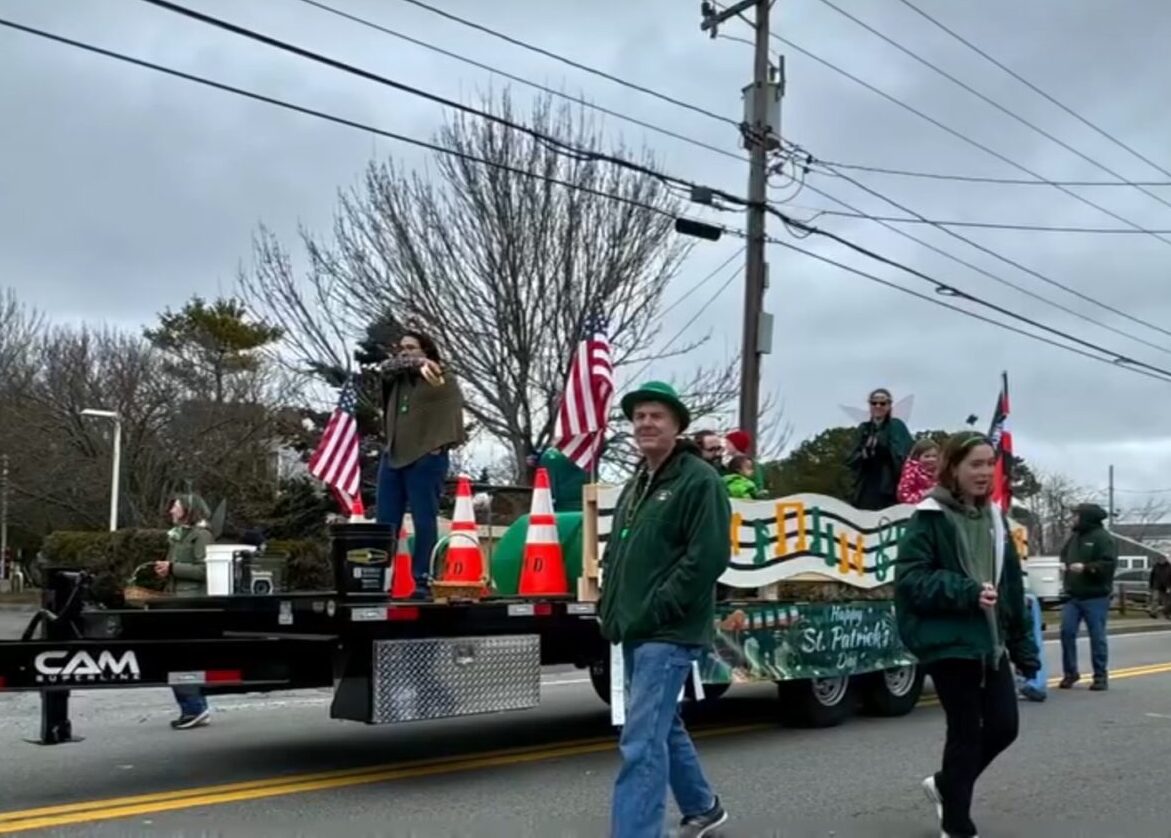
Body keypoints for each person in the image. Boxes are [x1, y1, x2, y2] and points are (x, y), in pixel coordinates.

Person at [598, 380, 731, 838]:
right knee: (661, 725)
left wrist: (658, 606)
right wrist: (609, 606)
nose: (646, 423)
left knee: (641, 742)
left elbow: (709, 557)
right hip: (634, 626)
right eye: (639, 416)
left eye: (657, 416)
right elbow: (618, 550)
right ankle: (704, 807)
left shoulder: (699, 480)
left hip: (669, 631)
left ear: (677, 425)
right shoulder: (638, 482)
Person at [894, 431, 1039, 838]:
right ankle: (957, 824)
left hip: (990, 643)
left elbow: (1010, 586)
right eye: (974, 464)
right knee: (965, 731)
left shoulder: (994, 519)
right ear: (953, 468)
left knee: (1004, 727)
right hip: (949, 642)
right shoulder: (930, 516)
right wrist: (967, 591)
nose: (984, 472)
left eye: (988, 464)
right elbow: (910, 579)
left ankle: (946, 785)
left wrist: (1024, 648)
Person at [376, 330, 466, 598]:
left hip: (426, 457)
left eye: (412, 347)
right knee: (385, 523)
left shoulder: (441, 379)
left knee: (424, 518)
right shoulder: (398, 379)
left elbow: (452, 409)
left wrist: (439, 446)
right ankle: (378, 579)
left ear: (426, 349)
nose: (404, 352)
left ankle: (422, 579)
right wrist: (414, 362)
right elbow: (385, 369)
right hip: (394, 456)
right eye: (401, 347)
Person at [154, 492, 215, 730]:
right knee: (180, 657)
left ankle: (195, 709)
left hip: (192, 603)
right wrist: (166, 570)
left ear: (188, 509)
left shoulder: (201, 535)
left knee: (180, 657)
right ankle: (194, 708)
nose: (171, 511)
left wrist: (173, 568)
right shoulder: (179, 536)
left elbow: (205, 571)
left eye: (175, 507)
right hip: (176, 601)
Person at [1058, 503, 1117, 691]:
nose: (1073, 519)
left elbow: (1108, 565)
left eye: (1076, 516)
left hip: (1096, 597)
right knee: (1066, 632)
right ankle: (1070, 673)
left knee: (1097, 636)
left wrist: (1086, 567)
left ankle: (1100, 676)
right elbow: (1064, 556)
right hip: (1073, 596)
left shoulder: (1103, 538)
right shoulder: (1074, 538)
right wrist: (1063, 566)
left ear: (1087, 518)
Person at [846, 388, 913, 511]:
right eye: (874, 403)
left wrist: (883, 449)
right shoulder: (864, 428)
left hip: (890, 487)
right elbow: (850, 459)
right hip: (866, 487)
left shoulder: (896, 426)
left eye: (883, 403)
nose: (878, 406)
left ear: (889, 406)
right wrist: (864, 454)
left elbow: (906, 456)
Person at [897, 438, 940, 505]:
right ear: (917, 457)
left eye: (934, 456)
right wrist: (926, 494)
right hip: (915, 508)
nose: (931, 459)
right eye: (927, 456)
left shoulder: (941, 471)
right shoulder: (911, 471)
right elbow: (903, 495)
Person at [1149, 555, 1171, 619]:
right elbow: (1152, 576)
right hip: (1157, 585)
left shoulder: (1169, 567)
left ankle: (1167, 613)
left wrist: (1169, 586)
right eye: (1160, 559)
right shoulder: (1156, 566)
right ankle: (1153, 613)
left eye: (1163, 559)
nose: (1161, 560)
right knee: (1155, 599)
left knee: (1166, 601)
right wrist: (1151, 585)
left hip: (1166, 586)